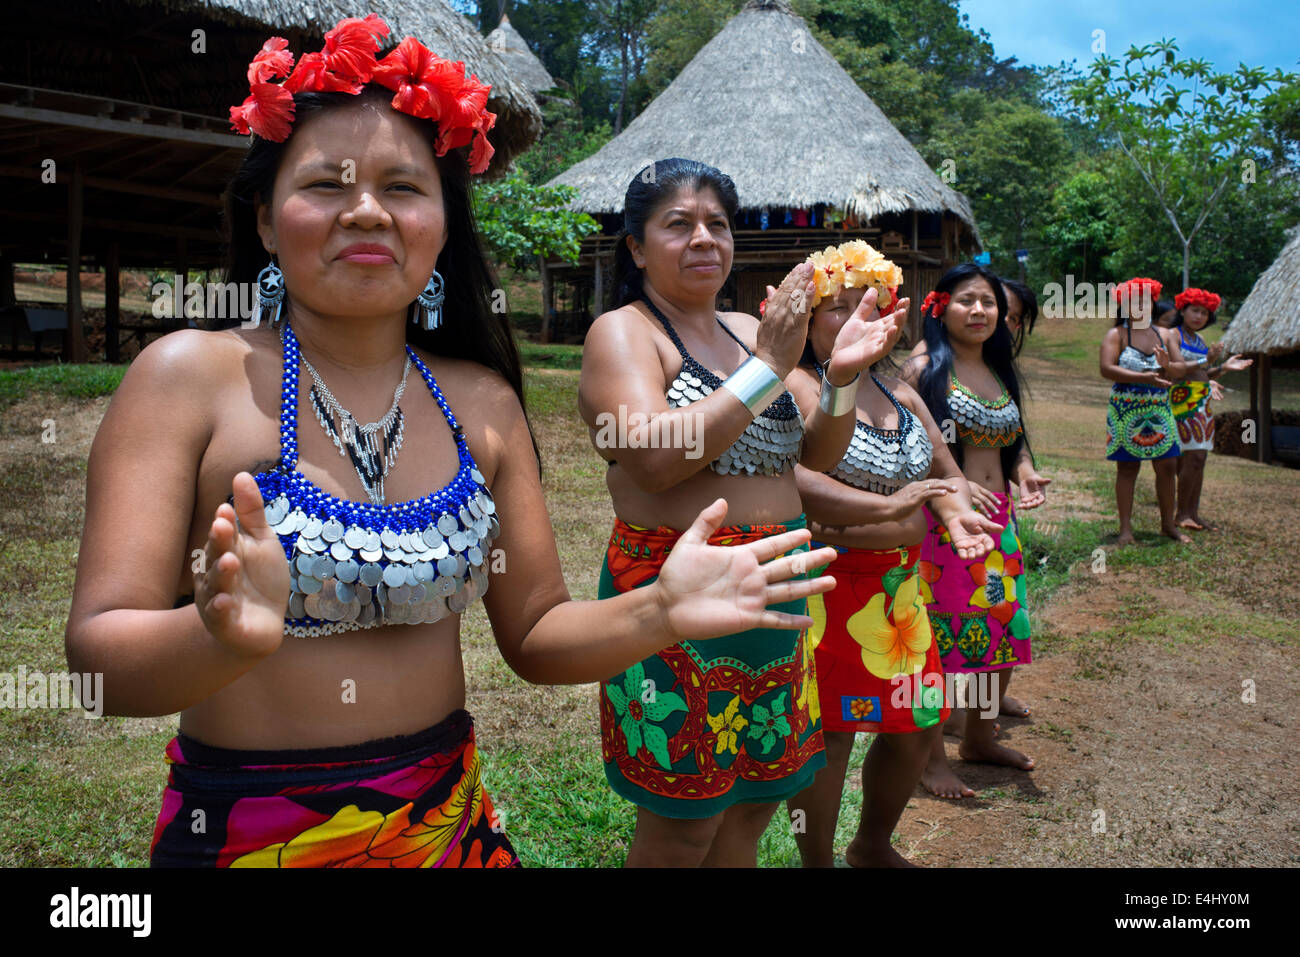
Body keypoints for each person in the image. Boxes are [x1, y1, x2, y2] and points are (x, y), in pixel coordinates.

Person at [62, 19, 837, 868]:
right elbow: (99, 662)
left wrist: (657, 610)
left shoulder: (483, 402)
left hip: (447, 828)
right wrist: (218, 638)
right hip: (248, 831)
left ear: (439, 222)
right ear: (265, 219)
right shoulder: (184, 378)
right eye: (325, 184)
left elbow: (536, 634)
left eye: (404, 186)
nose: (366, 209)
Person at [578, 160, 908, 867]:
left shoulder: (743, 329)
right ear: (636, 246)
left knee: (756, 800)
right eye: (678, 224)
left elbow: (816, 450)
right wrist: (768, 364)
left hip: (778, 591)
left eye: (717, 225)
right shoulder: (625, 333)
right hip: (678, 592)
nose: (704, 238)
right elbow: (654, 457)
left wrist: (841, 377)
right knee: (685, 816)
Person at [780, 242, 1000, 865]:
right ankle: (817, 861)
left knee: (919, 724)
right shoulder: (796, 385)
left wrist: (957, 522)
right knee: (836, 732)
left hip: (900, 588)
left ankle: (871, 843)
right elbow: (791, 477)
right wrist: (885, 509)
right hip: (827, 584)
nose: (853, 317)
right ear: (807, 318)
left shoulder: (900, 390)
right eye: (836, 307)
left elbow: (946, 472)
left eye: (866, 305)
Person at [899, 263, 1051, 799]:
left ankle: (981, 738)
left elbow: (1014, 439)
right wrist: (956, 487)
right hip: (940, 528)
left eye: (988, 302)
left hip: (998, 523)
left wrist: (1024, 473)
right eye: (967, 300)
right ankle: (930, 760)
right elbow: (902, 451)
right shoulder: (921, 371)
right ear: (941, 306)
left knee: (1001, 633)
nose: (981, 311)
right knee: (936, 642)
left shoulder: (996, 366)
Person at [1099, 277, 1197, 546]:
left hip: (1158, 407)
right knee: (1127, 468)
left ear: (1153, 303)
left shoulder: (1165, 335)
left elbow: (1179, 369)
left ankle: (1168, 525)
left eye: (1145, 301)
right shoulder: (1117, 334)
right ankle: (1125, 530)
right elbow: (1107, 369)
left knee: (1167, 465)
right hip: (1125, 408)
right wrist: (1146, 377)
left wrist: (1168, 364)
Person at [1167, 287, 1253, 531]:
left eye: (1204, 313)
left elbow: (1202, 374)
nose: (1199, 317)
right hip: (1181, 400)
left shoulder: (1200, 340)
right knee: (1189, 459)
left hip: (1202, 401)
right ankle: (1181, 513)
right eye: (1194, 310)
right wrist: (1208, 360)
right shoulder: (1174, 335)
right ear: (1183, 310)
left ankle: (1193, 513)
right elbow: (1179, 368)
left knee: (1199, 459)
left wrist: (1224, 367)